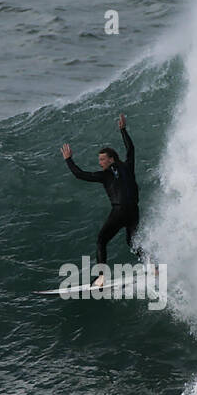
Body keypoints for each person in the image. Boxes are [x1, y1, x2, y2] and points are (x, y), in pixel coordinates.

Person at [60, 114, 141, 287]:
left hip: (120, 211)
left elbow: (80, 174)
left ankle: (101, 277)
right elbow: (131, 148)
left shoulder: (105, 175)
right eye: (99, 160)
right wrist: (123, 130)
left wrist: (68, 160)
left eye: (103, 159)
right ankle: (153, 266)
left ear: (112, 159)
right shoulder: (128, 166)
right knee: (132, 241)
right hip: (134, 210)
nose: (100, 163)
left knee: (101, 240)